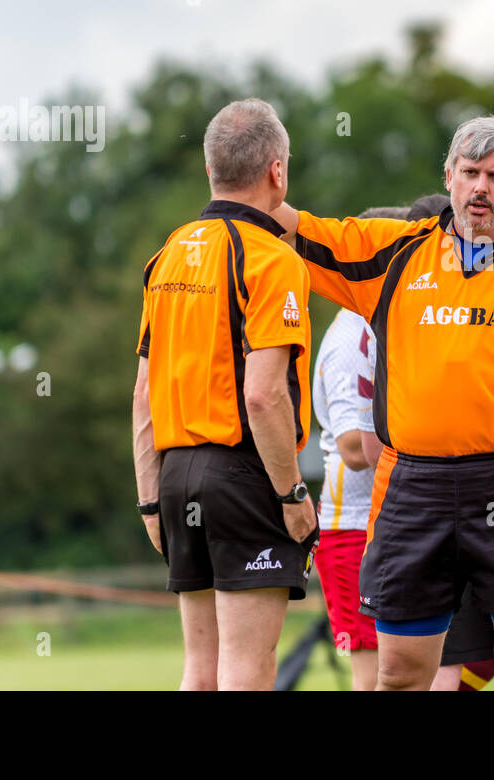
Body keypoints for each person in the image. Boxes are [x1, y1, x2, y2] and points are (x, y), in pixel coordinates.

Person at [271, 116, 494, 690]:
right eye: (469, 173)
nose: (480, 188)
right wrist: (252, 169)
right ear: (448, 176)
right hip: (411, 486)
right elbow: (289, 228)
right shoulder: (393, 251)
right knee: (397, 673)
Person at [131, 98, 319, 691]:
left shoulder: (168, 253)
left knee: (200, 668)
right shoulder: (272, 259)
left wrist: (148, 500)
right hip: (245, 473)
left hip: (176, 474)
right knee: (246, 666)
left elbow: (143, 394)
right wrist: (291, 492)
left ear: (208, 168)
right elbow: (263, 396)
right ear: (278, 171)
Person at [310, 205, 408, 692]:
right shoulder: (354, 333)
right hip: (351, 524)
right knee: (371, 675)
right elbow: (353, 445)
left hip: (380, 520)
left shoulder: (380, 323)